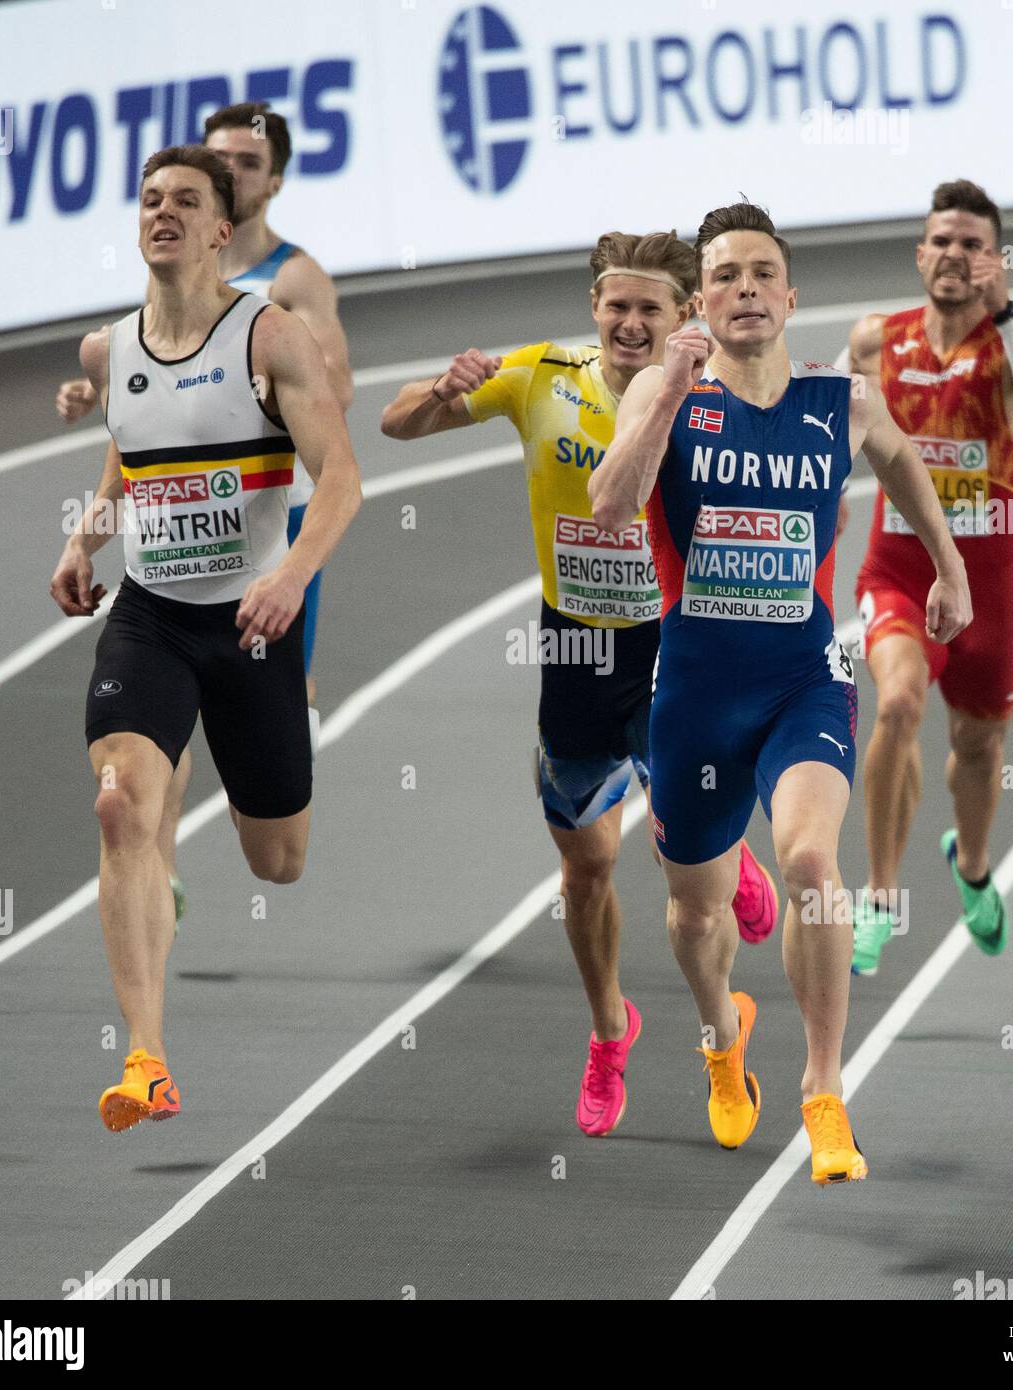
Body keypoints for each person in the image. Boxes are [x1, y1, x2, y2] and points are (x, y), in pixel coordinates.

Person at [589, 202, 971, 1180]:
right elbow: (612, 504)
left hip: (802, 677)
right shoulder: (659, 397)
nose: (744, 288)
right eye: (724, 275)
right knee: (696, 917)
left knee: (808, 864)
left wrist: (946, 565)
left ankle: (823, 1090)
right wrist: (668, 391)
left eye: (762, 272)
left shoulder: (840, 403)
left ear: (790, 296)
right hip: (696, 696)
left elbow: (906, 470)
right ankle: (722, 1037)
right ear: (700, 302)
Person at [381, 231, 780, 1139]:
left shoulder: (715, 391)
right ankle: (610, 1029)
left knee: (684, 872)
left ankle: (722, 1023)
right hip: (573, 653)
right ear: (595, 307)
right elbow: (395, 426)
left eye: (650, 308)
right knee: (586, 865)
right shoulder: (537, 374)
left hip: (673, 643)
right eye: (616, 306)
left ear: (685, 315)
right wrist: (443, 390)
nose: (630, 323)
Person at [48, 146, 360, 1131]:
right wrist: (81, 540)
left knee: (279, 858)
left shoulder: (270, 337)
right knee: (120, 807)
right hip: (151, 618)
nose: (163, 213)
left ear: (224, 229)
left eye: (186, 200)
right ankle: (147, 1056)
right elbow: (133, 459)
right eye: (149, 199)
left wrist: (290, 578)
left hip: (253, 625)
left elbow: (344, 477)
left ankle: (249, 796)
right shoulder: (114, 351)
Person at [844, 179, 1013, 975]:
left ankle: (970, 866)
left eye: (972, 243)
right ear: (919, 253)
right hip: (900, 570)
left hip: (990, 585)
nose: (954, 254)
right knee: (898, 701)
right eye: (941, 239)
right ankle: (876, 900)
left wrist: (1004, 314)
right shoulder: (876, 338)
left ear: (994, 259)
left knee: (977, 745)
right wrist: (825, 496)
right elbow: (833, 427)